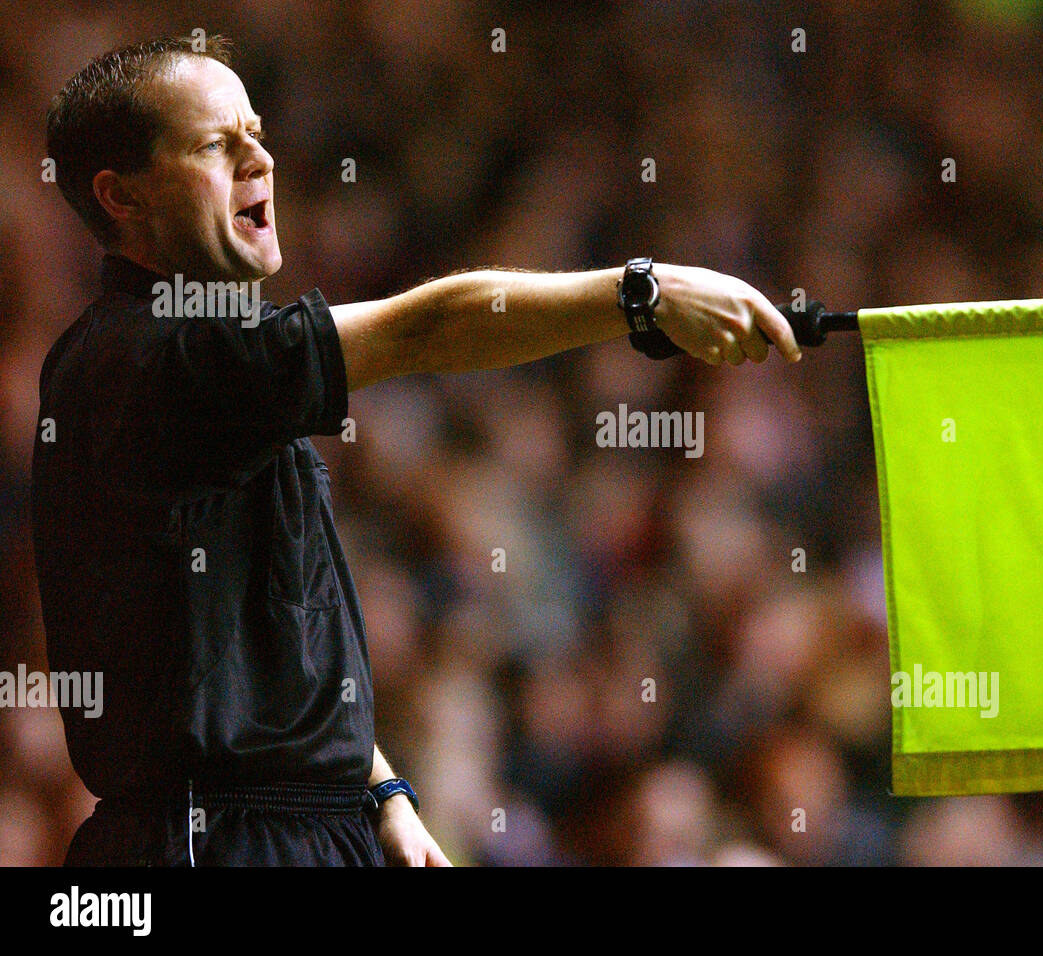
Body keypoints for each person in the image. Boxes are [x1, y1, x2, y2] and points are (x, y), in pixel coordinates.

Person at [33, 35, 800, 866]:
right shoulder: (150, 361)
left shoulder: (222, 373)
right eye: (217, 144)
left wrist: (380, 792)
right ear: (122, 197)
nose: (261, 158)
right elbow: (431, 324)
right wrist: (641, 295)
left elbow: (269, 647)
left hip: (304, 831)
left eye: (256, 132)